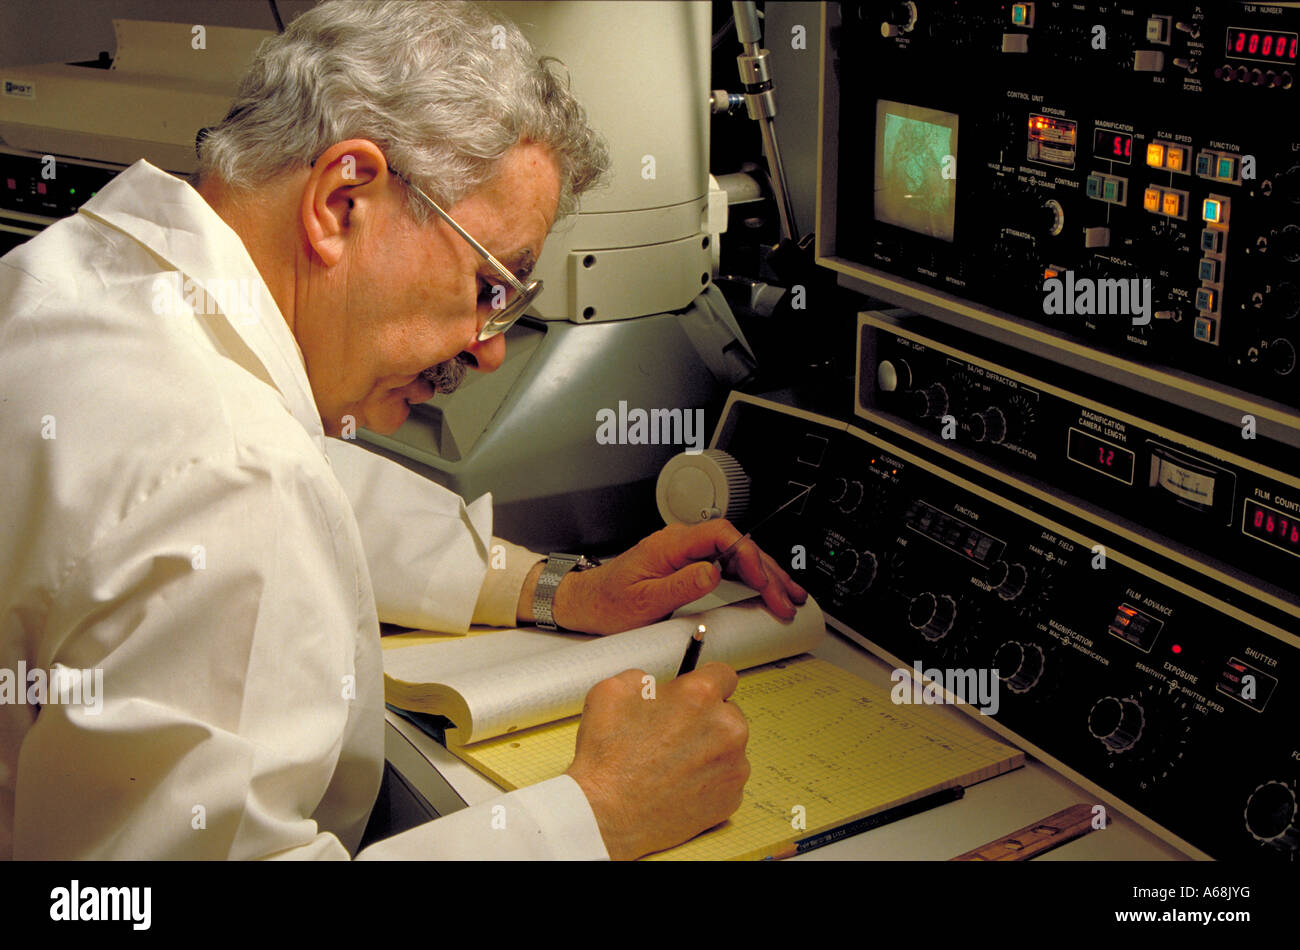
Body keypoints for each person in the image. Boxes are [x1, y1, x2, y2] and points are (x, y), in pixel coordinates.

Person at [0, 0, 805, 860]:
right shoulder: (231, 481)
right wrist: (594, 816)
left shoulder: (86, 281)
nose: (490, 351)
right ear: (343, 199)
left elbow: (268, 477)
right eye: (493, 285)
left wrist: (553, 589)